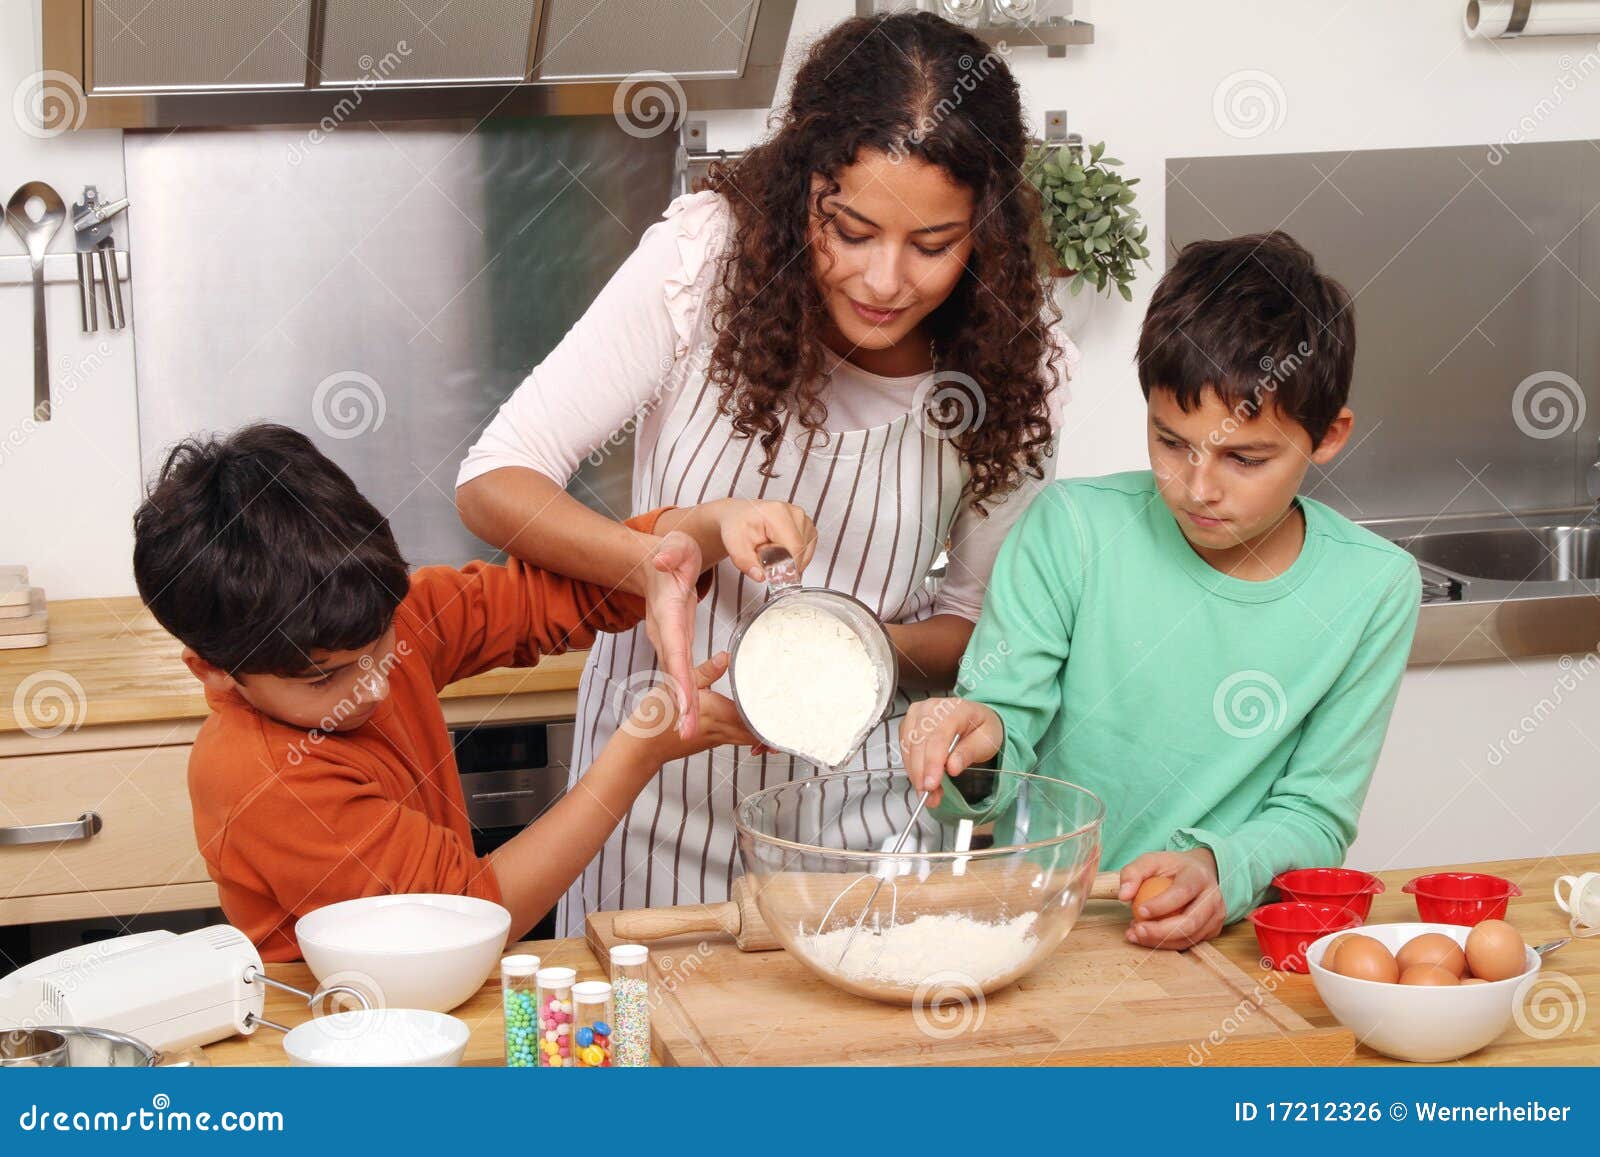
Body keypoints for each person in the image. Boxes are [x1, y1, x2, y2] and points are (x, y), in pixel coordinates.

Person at [455, 12, 1074, 934]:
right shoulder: (705, 258)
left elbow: (974, 622)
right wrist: (656, 559)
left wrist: (843, 650)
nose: (885, 279)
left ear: (984, 229)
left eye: (933, 245)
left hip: (852, 830)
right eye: (851, 229)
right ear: (805, 187)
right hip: (646, 805)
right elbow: (495, 480)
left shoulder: (1019, 366)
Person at [901, 231, 1421, 950]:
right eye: (1172, 441)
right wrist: (975, 745)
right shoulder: (1072, 530)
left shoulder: (1375, 586)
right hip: (1055, 931)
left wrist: (1219, 868)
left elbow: (1316, 813)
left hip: (1228, 940)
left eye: (1244, 457)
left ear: (1328, 435)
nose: (1197, 487)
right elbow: (999, 746)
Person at [131, 422, 784, 961]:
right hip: (341, 1041)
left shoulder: (372, 619)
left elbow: (550, 594)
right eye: (324, 677)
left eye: (381, 643)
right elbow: (468, 914)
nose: (374, 682)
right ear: (213, 670)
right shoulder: (260, 777)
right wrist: (635, 754)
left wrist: (703, 531)